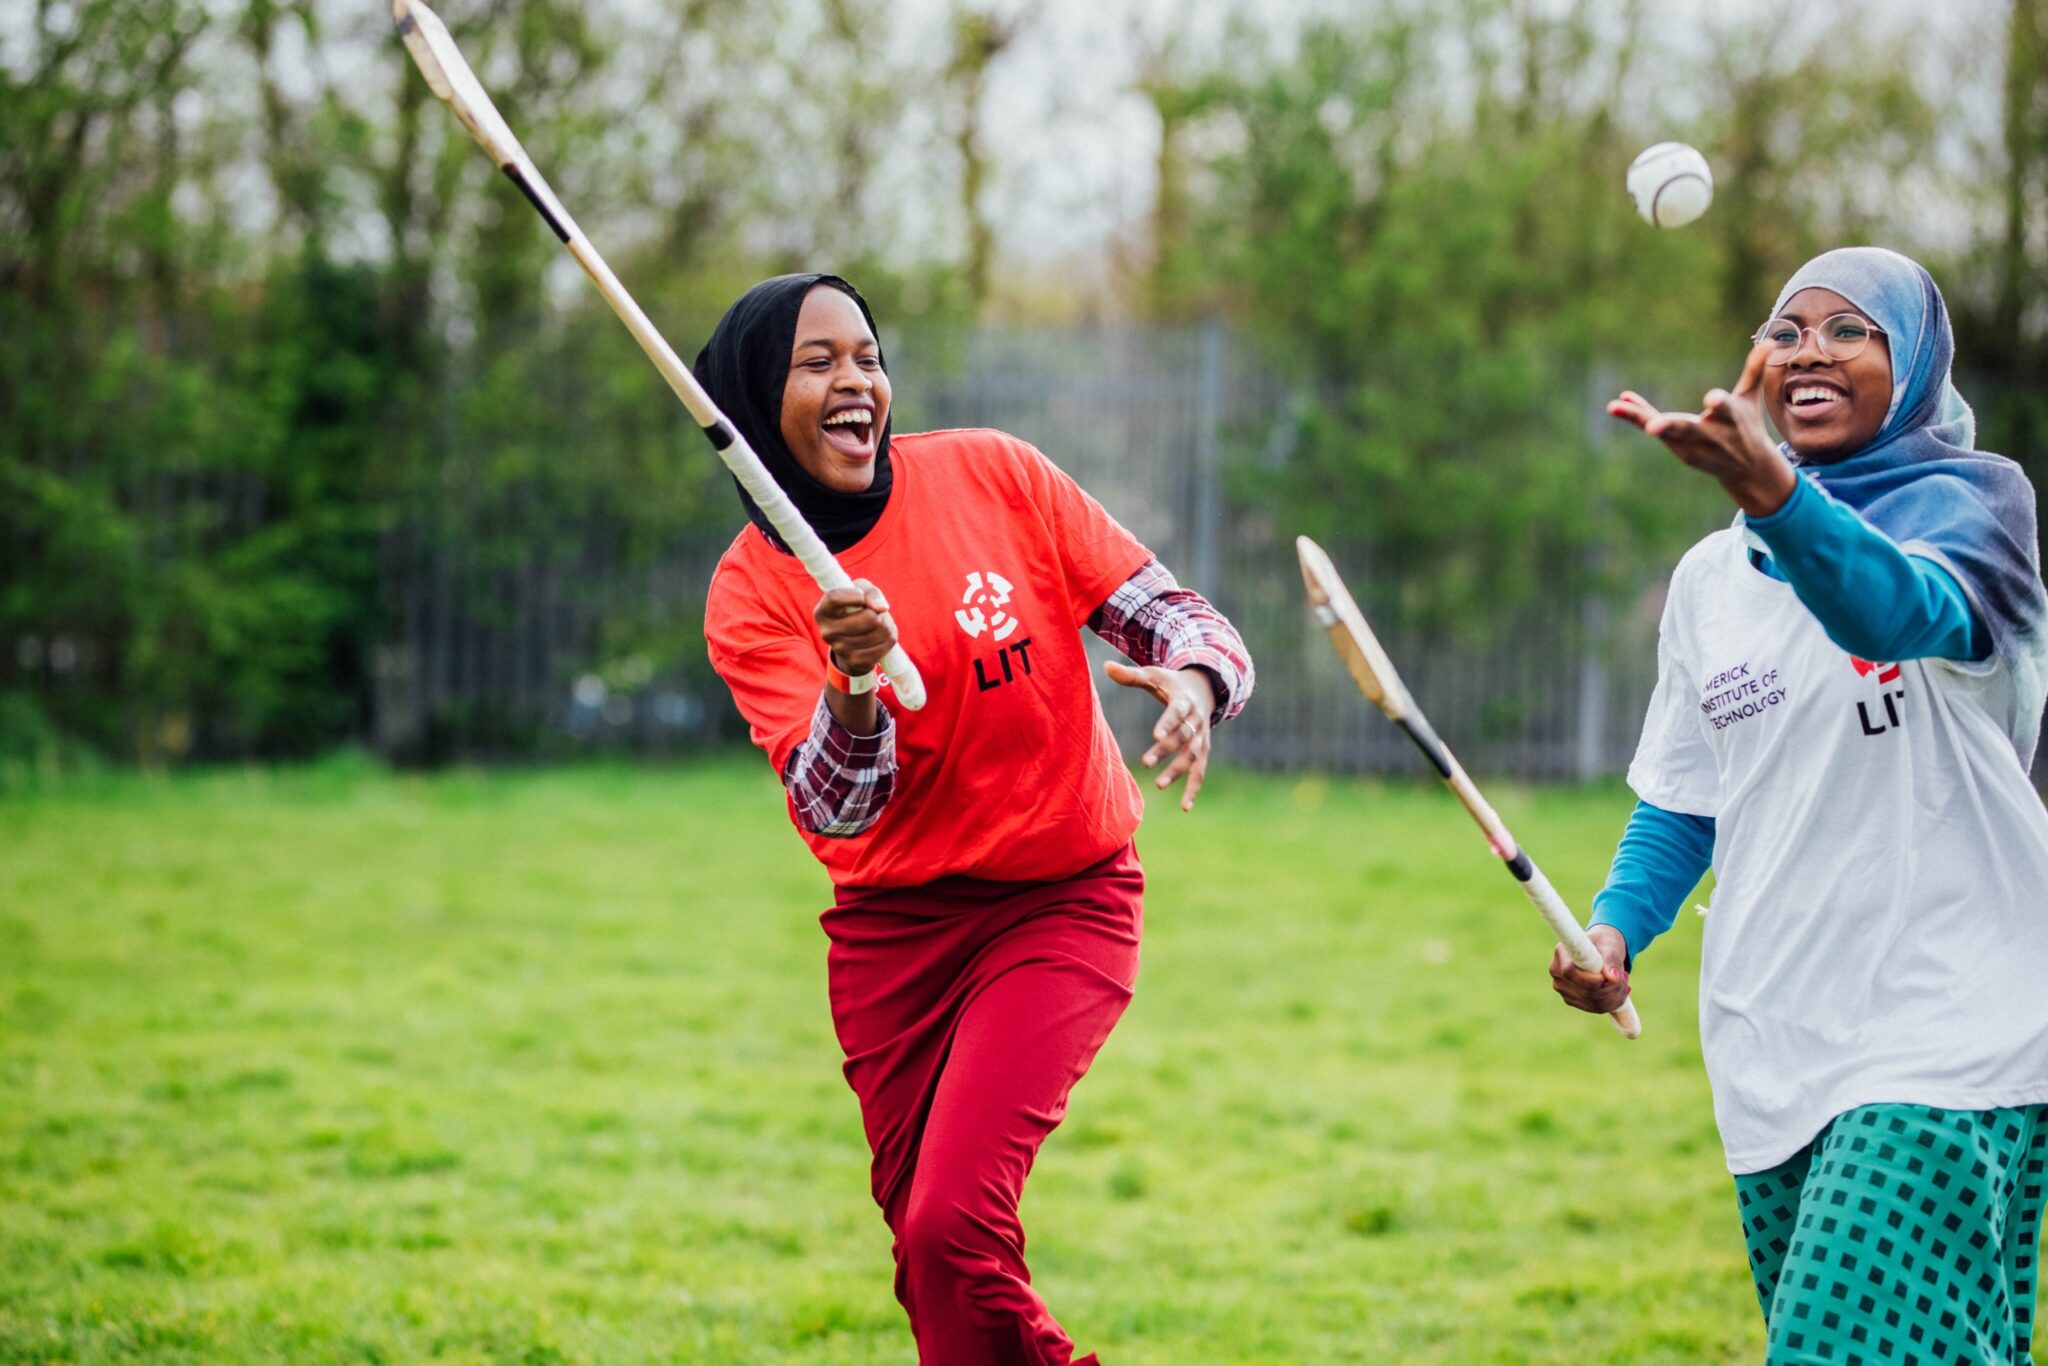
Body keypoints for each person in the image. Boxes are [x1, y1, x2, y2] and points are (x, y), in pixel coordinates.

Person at [697, 273, 1253, 1365]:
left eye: (865, 355)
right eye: (817, 363)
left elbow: (1178, 616)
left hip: (1062, 901)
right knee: (928, 1252)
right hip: (893, 938)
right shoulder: (749, 594)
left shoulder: (994, 474)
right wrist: (852, 687)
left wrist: (1192, 682)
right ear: (756, 402)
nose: (855, 379)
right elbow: (835, 809)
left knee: (954, 1222)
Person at [1551, 246, 2048, 1363]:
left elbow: (1890, 609)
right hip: (1770, 1046)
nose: (1808, 350)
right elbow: (1684, 802)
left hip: (1949, 1030)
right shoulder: (1706, 582)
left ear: (1912, 362)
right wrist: (1614, 927)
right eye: (1785, 330)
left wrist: (1769, 492)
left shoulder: (1974, 511)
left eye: (1848, 329)